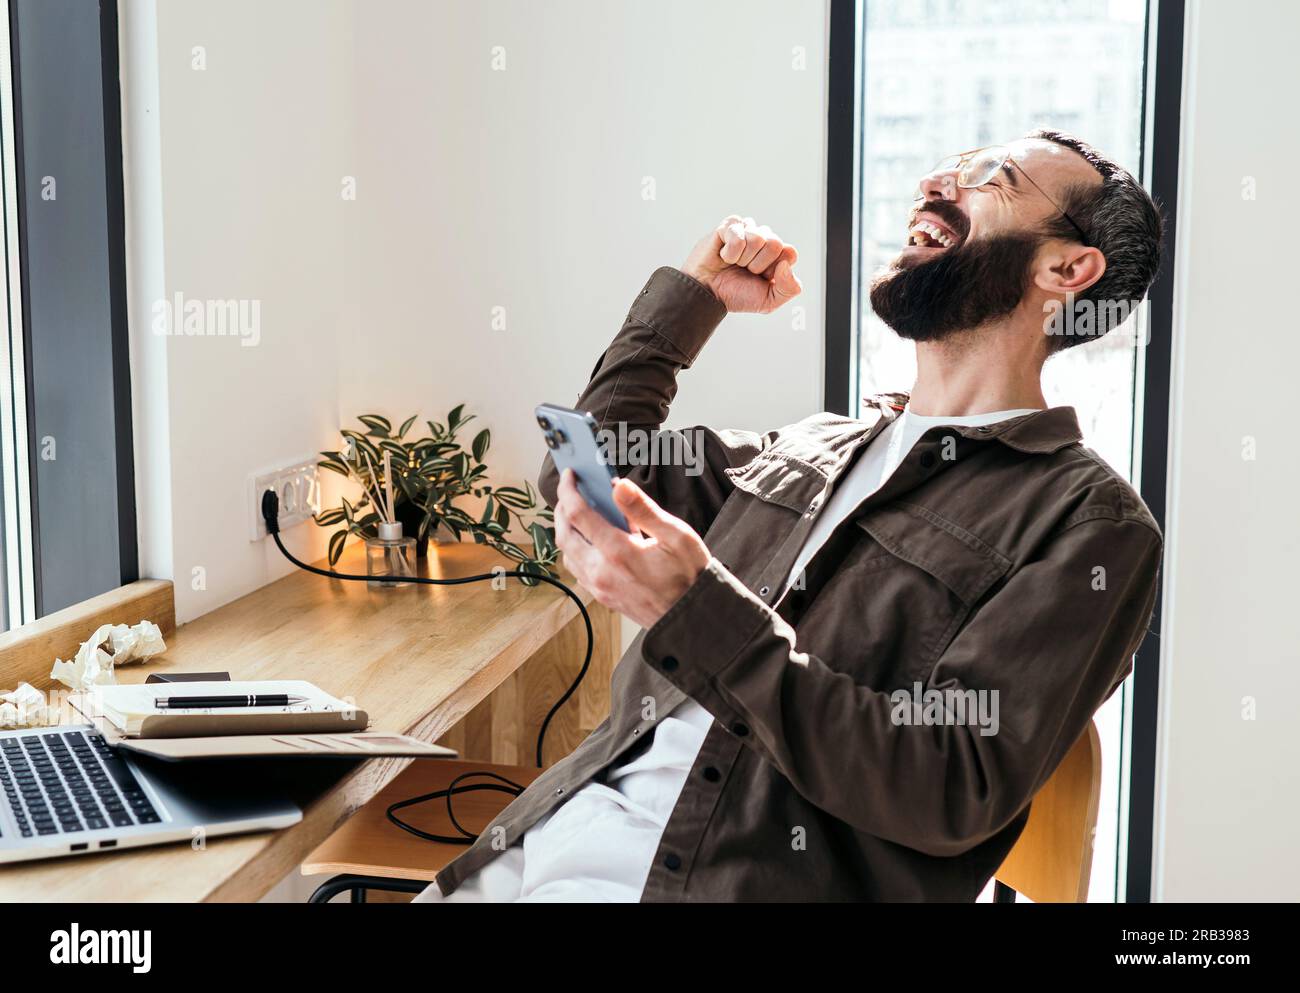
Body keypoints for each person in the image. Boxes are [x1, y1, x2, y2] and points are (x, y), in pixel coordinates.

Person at [417, 130, 1164, 902]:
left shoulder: (1090, 524)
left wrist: (698, 612)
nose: (939, 179)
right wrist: (694, 296)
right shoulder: (820, 442)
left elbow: (951, 784)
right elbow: (591, 473)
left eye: (990, 176)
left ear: (1067, 269)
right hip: (535, 848)